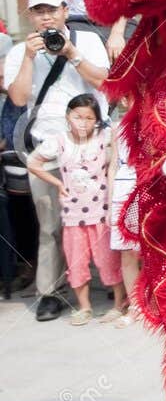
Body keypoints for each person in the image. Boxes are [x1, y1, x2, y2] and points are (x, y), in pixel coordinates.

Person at [4, 0, 110, 321]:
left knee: (103, 218)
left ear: (65, 10)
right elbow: (19, 100)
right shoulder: (22, 51)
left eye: (52, 9)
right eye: (39, 11)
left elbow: (106, 83)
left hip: (92, 144)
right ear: (31, 16)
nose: (46, 16)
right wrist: (31, 58)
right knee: (51, 224)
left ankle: (112, 279)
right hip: (49, 147)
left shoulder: (89, 40)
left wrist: (70, 54)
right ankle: (51, 292)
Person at [27, 93, 122, 326]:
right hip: (72, 215)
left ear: (97, 121)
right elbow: (33, 162)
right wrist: (57, 183)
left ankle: (120, 304)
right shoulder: (59, 141)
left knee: (108, 260)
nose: (83, 122)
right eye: (77, 116)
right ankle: (84, 307)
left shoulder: (105, 137)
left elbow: (122, 130)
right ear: (67, 116)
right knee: (75, 262)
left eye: (89, 118)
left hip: (100, 212)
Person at [107, 103, 140, 327]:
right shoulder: (117, 127)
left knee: (149, 252)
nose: (128, 102)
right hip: (121, 190)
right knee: (127, 253)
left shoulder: (153, 122)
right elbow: (112, 166)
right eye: (124, 97)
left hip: (145, 188)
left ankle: (153, 303)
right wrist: (110, 203)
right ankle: (135, 306)